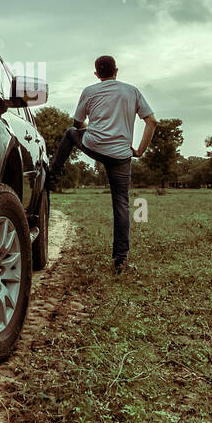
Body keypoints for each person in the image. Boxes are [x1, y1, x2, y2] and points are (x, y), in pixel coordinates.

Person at [46, 55, 155, 274]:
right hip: (121, 156)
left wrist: (92, 127)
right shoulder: (132, 91)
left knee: (70, 134)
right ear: (116, 70)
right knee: (122, 205)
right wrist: (140, 150)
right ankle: (120, 262)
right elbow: (151, 121)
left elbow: (77, 124)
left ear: (96, 74)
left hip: (94, 146)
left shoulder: (89, 91)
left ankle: (53, 174)